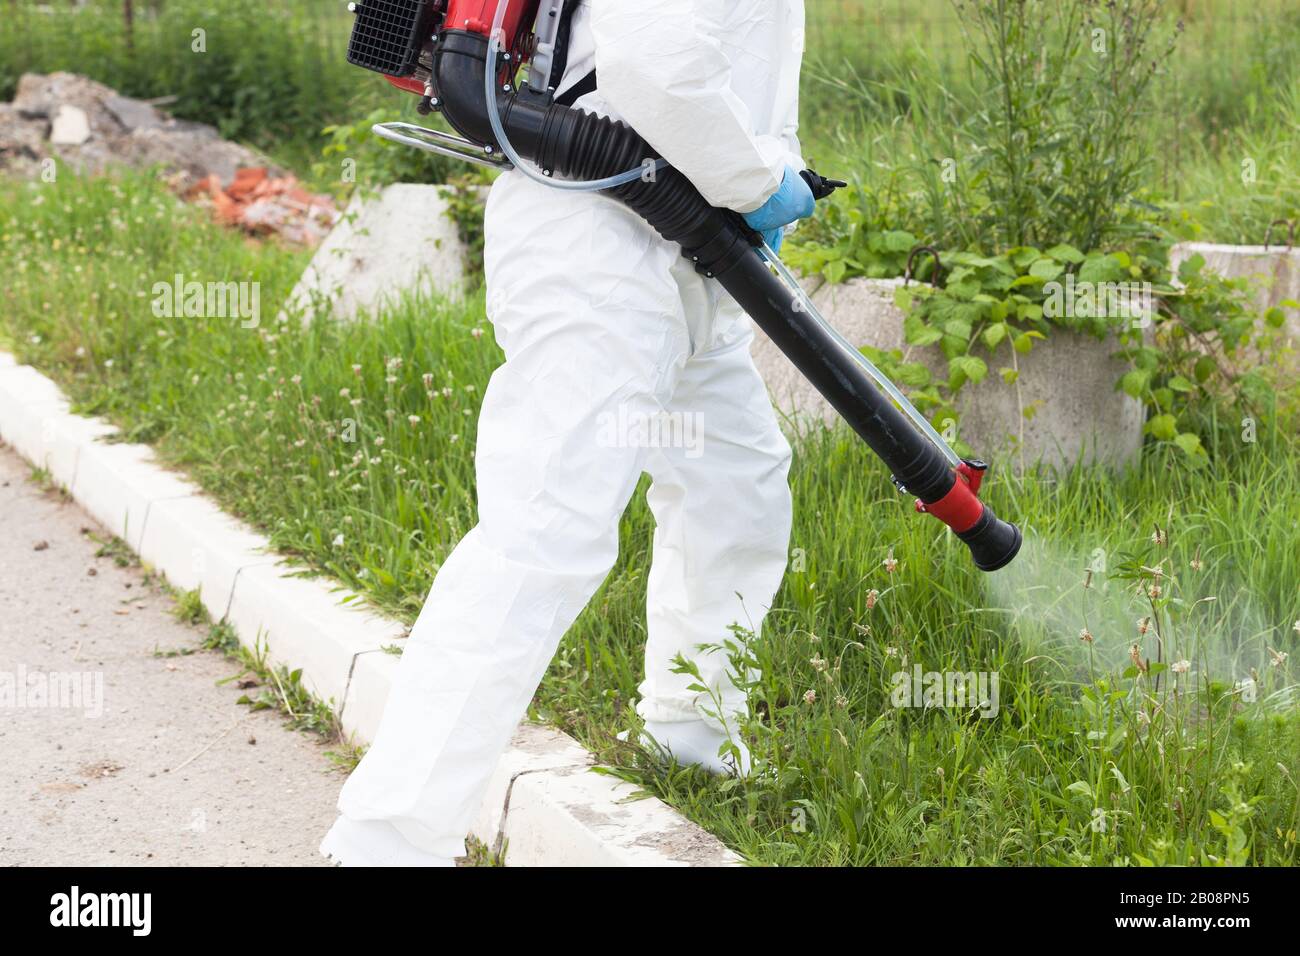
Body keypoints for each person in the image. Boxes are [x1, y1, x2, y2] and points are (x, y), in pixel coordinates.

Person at [320, 0, 814, 866]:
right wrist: (762, 182)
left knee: (735, 485)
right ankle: (388, 840)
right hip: (602, 238)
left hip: (684, 237)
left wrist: (766, 170)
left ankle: (691, 739)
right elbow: (655, 59)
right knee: (546, 530)